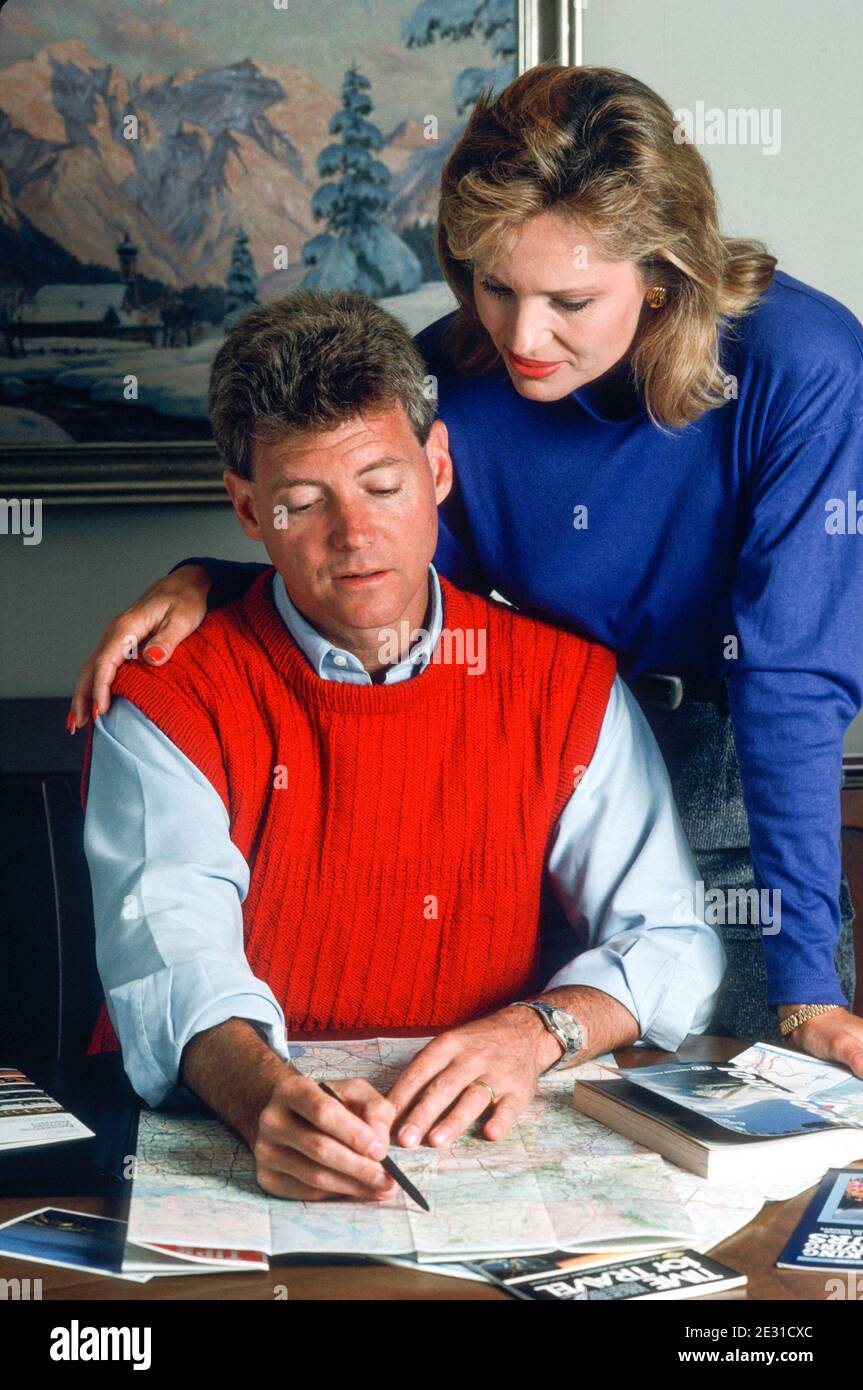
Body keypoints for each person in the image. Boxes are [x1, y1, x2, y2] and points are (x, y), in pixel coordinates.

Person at [69, 63, 863, 1074]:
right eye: (494, 285)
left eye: (569, 299)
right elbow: (372, 569)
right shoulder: (453, 376)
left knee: (761, 1157)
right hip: (556, 782)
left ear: (659, 272)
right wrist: (216, 578)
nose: (521, 339)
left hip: (744, 772)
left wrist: (802, 994)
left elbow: (789, 682)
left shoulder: (799, 361)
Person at [80, 290, 725, 1204]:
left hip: (479, 1145)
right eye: (303, 504)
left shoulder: (565, 686)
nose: (354, 537)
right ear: (245, 509)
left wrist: (539, 1030)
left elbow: (669, 937)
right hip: (214, 1138)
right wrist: (265, 1098)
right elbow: (171, 955)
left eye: (383, 486)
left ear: (438, 467)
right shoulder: (163, 695)